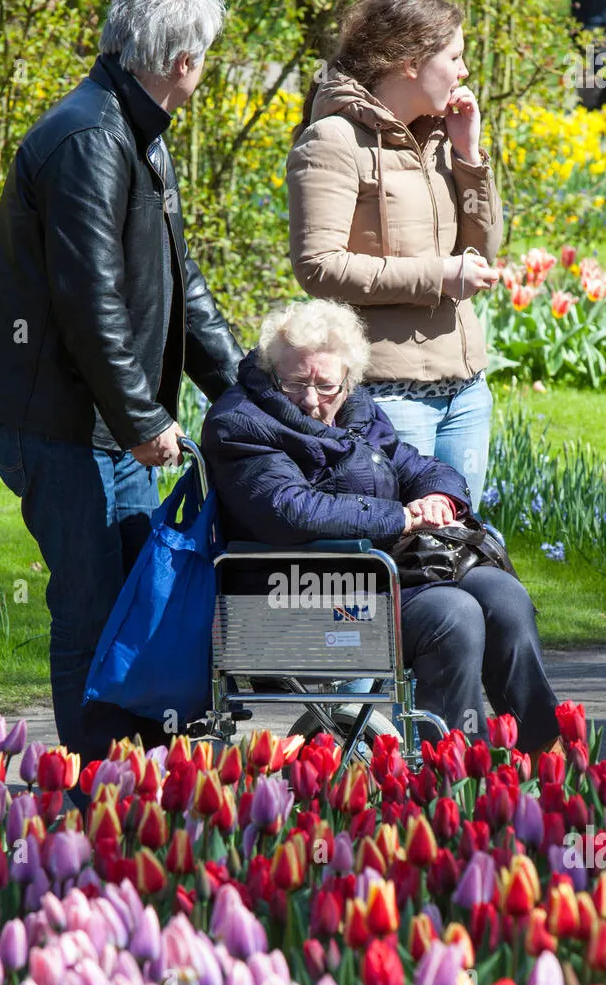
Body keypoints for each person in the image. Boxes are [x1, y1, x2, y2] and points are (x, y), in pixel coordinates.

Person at [0, 0, 243, 774]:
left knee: (133, 598)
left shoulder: (139, 133)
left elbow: (183, 290)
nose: (204, 71)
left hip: (102, 423)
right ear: (181, 61)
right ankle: (89, 790)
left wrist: (253, 396)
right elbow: (91, 304)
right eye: (204, 57)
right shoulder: (90, 139)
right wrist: (144, 418)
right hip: (55, 423)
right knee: (91, 604)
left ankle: (134, 775)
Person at [201, 300, 560, 754]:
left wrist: (439, 496)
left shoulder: (357, 409)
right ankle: (455, 772)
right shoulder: (240, 422)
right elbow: (292, 510)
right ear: (273, 373)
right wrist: (402, 516)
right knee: (453, 615)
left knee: (504, 598)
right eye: (296, 383)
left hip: (377, 579)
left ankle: (544, 754)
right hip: (296, 595)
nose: (312, 400)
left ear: (348, 379)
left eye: (326, 385)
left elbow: (413, 465)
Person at [287, 0, 502, 514]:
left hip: (465, 393)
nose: (464, 70)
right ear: (411, 62)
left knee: (459, 545)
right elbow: (319, 266)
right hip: (390, 398)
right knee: (406, 561)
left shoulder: (439, 138)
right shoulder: (333, 139)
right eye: (453, 57)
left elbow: (483, 247)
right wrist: (439, 276)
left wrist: (470, 155)